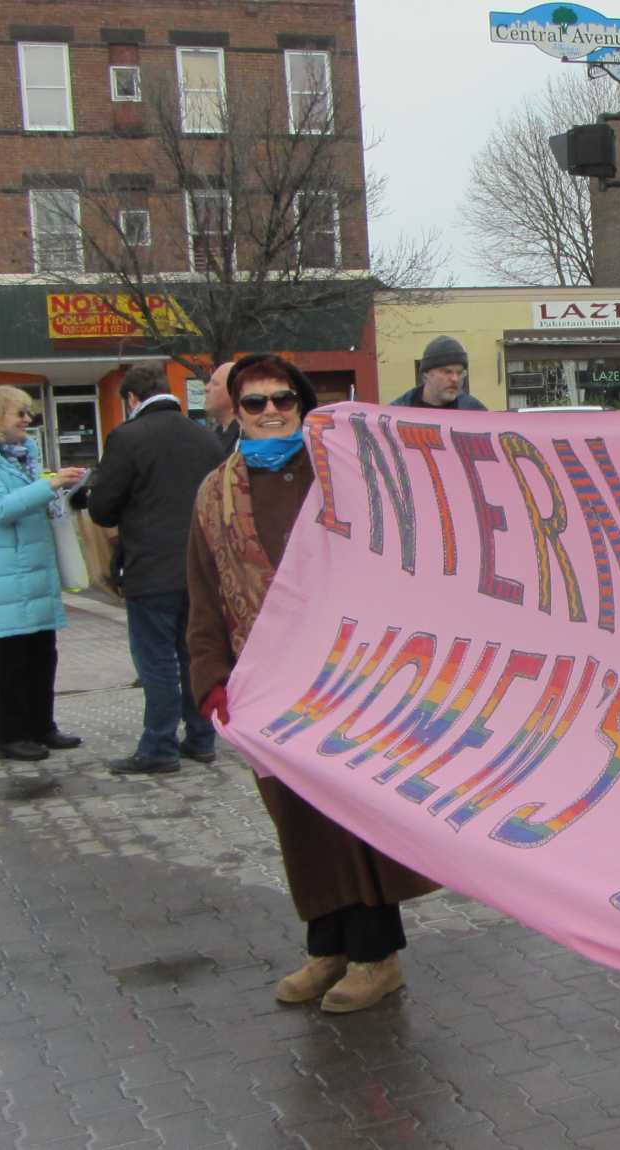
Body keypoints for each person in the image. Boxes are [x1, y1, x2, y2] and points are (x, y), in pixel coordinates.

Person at [188, 353, 439, 1012]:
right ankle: (326, 947)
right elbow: (203, 595)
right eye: (255, 403)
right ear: (234, 411)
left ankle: (376, 957)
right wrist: (211, 680)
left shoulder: (344, 475)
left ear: (302, 405)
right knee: (297, 821)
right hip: (265, 685)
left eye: (283, 400)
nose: (271, 412)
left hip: (348, 677)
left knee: (352, 822)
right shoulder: (215, 493)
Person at [88, 364, 227, 775]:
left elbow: (102, 508)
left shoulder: (126, 437)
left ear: (132, 399)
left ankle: (159, 747)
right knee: (194, 656)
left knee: (157, 661)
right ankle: (202, 738)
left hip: (150, 568)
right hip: (200, 569)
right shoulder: (206, 437)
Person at [0, 386, 87, 763]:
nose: (28, 420)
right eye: (19, 413)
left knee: (42, 653)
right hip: (3, 575)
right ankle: (10, 735)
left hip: (33, 572)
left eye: (29, 413)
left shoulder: (22, 456)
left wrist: (58, 488)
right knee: (11, 659)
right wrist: (49, 485)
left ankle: (42, 725)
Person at [392, 336, 487, 410]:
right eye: (447, 372)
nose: (455, 379)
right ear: (426, 375)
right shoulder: (397, 413)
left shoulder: (474, 412)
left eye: (459, 373)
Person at [202, 361, 240, 455]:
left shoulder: (246, 440)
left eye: (215, 383)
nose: (206, 388)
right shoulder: (215, 436)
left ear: (233, 393)